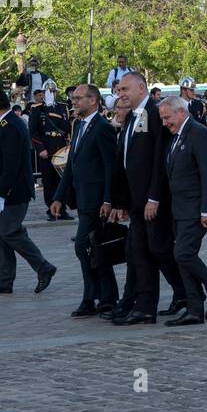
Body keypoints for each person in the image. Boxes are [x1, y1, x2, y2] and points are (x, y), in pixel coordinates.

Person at [108, 73, 187, 326]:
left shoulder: (154, 113)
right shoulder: (132, 116)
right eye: (118, 89)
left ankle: (185, 293)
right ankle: (144, 306)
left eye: (125, 88)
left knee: (157, 249)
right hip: (135, 199)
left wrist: (154, 197)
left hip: (152, 200)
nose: (120, 93)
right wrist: (119, 201)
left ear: (141, 88)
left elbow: (157, 160)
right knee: (139, 251)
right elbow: (125, 160)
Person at [0, 88, 57, 296]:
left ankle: (43, 267)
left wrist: (1, 192)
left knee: (9, 231)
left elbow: (12, 165)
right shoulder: (1, 124)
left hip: (11, 191)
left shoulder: (11, 126)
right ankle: (3, 278)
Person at [51, 84, 119, 317]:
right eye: (74, 98)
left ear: (93, 101)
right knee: (92, 249)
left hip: (97, 200)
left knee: (86, 246)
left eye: (79, 98)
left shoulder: (102, 128)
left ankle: (99, 298)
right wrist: (59, 196)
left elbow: (111, 168)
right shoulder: (79, 125)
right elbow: (71, 165)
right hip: (82, 197)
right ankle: (101, 297)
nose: (74, 102)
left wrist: (109, 199)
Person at [160, 95, 207, 325]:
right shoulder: (176, 136)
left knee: (183, 253)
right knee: (182, 257)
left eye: (167, 117)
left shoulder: (199, 133)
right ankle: (194, 309)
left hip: (197, 207)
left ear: (181, 113)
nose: (164, 123)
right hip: (180, 207)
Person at [30, 84, 72, 219]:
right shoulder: (36, 108)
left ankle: (62, 208)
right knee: (48, 182)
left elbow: (66, 128)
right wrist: (40, 148)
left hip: (60, 147)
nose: (50, 93)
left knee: (61, 181)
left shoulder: (62, 107)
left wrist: (53, 112)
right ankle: (51, 209)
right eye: (47, 91)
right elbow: (33, 132)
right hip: (46, 148)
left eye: (53, 91)